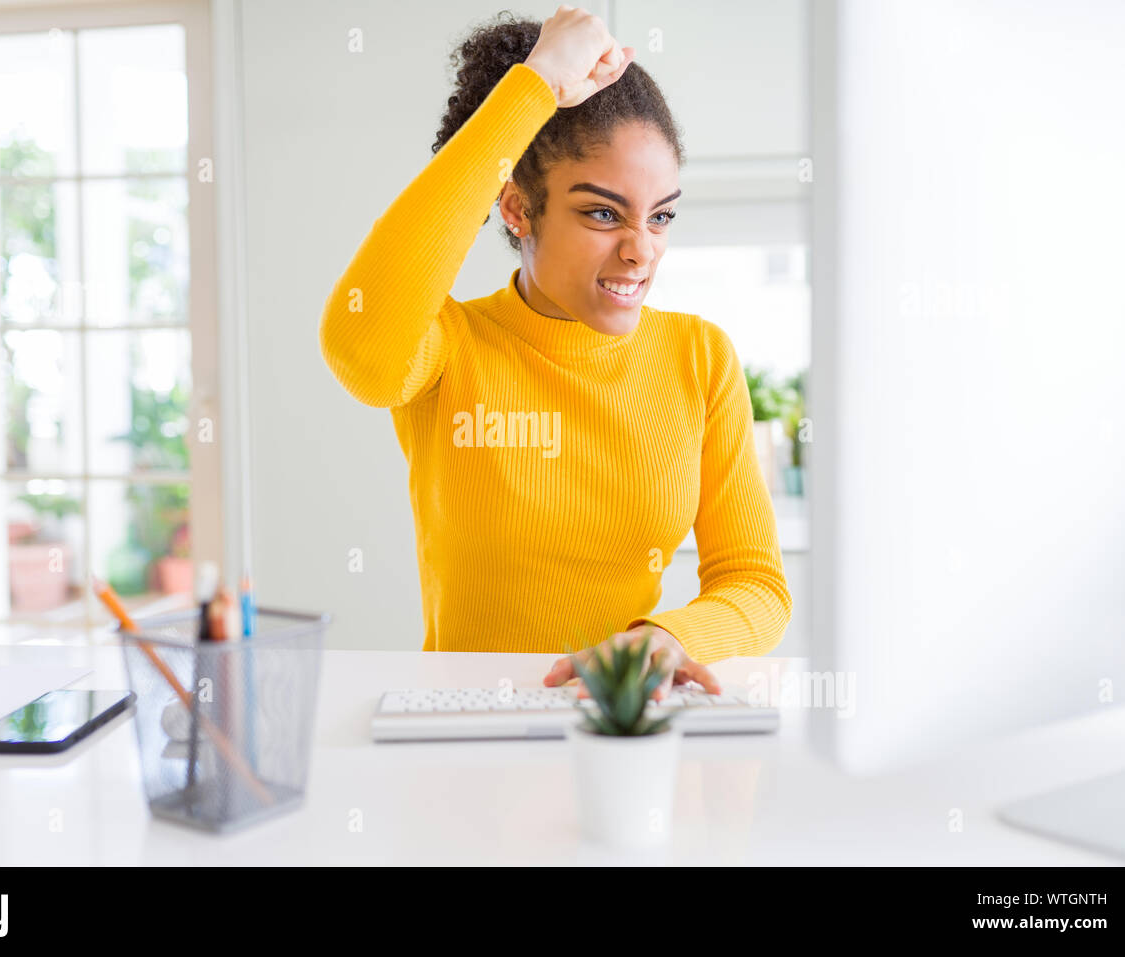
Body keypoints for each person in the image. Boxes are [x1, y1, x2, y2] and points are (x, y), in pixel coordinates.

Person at [319, 5, 792, 700]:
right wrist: (534, 85)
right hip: (474, 731)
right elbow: (359, 345)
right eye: (603, 213)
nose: (642, 250)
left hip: (630, 723)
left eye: (660, 215)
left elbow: (757, 584)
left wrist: (666, 637)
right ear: (516, 208)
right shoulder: (451, 347)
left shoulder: (699, 355)